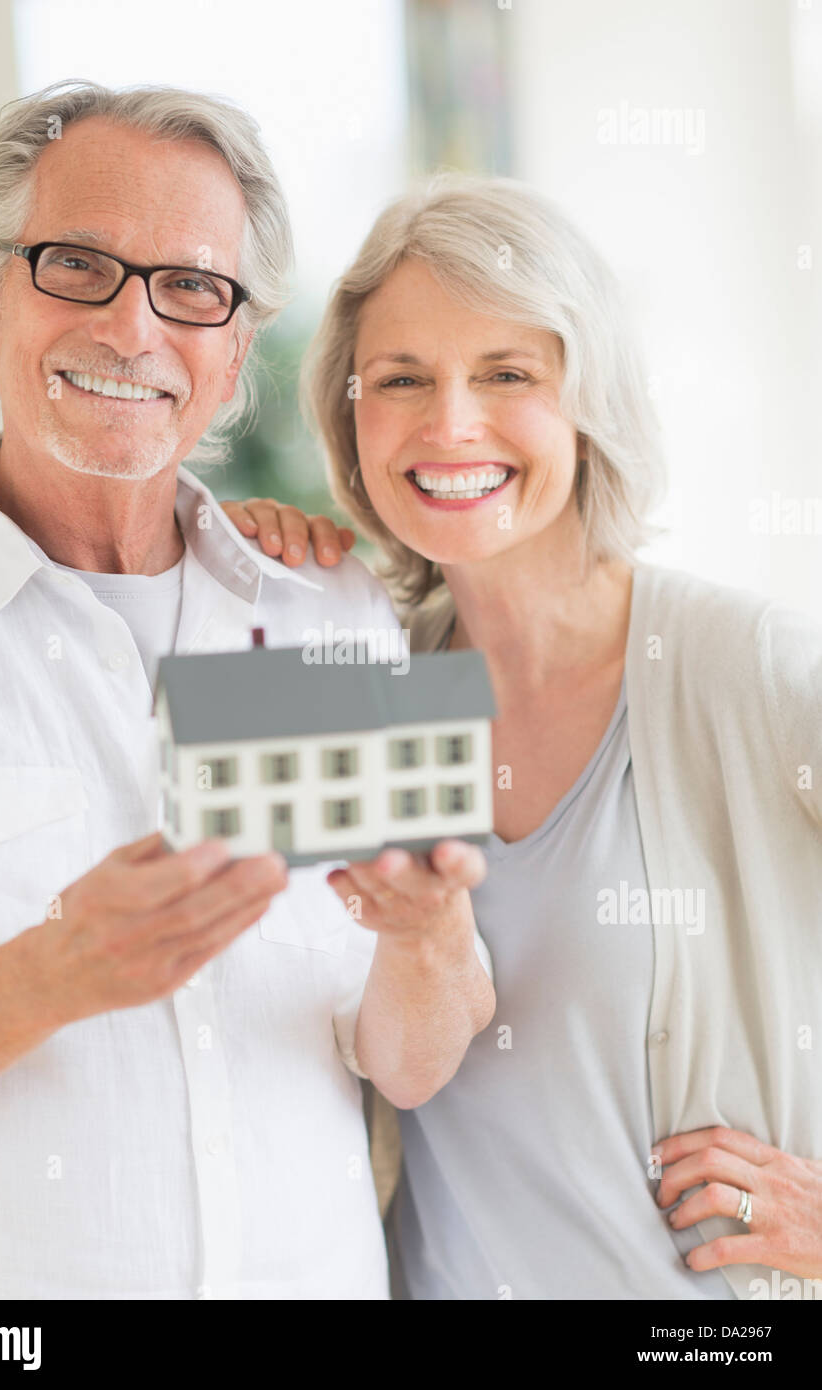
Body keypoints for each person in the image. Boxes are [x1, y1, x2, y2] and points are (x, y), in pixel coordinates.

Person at [0, 82, 496, 1301]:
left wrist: (427, 939)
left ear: (231, 353)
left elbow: (407, 1064)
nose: (132, 329)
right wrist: (54, 968)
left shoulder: (328, 614)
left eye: (190, 287)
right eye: (77, 265)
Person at [222, 173, 822, 1300]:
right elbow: (212, 992)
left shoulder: (752, 671)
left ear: (587, 399)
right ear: (350, 413)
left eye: (507, 374)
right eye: (401, 379)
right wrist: (231, 571)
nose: (450, 423)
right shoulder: (355, 680)